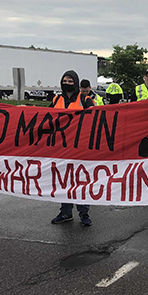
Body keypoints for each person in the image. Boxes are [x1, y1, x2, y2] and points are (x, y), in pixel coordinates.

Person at [50, 70, 94, 226]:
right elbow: (43, 116)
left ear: (75, 82)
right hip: (61, 148)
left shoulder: (85, 100)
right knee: (64, 182)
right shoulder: (56, 99)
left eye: (70, 81)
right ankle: (65, 212)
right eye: (65, 81)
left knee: (80, 181)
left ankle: (84, 213)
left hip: (80, 148)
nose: (67, 84)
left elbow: (96, 120)